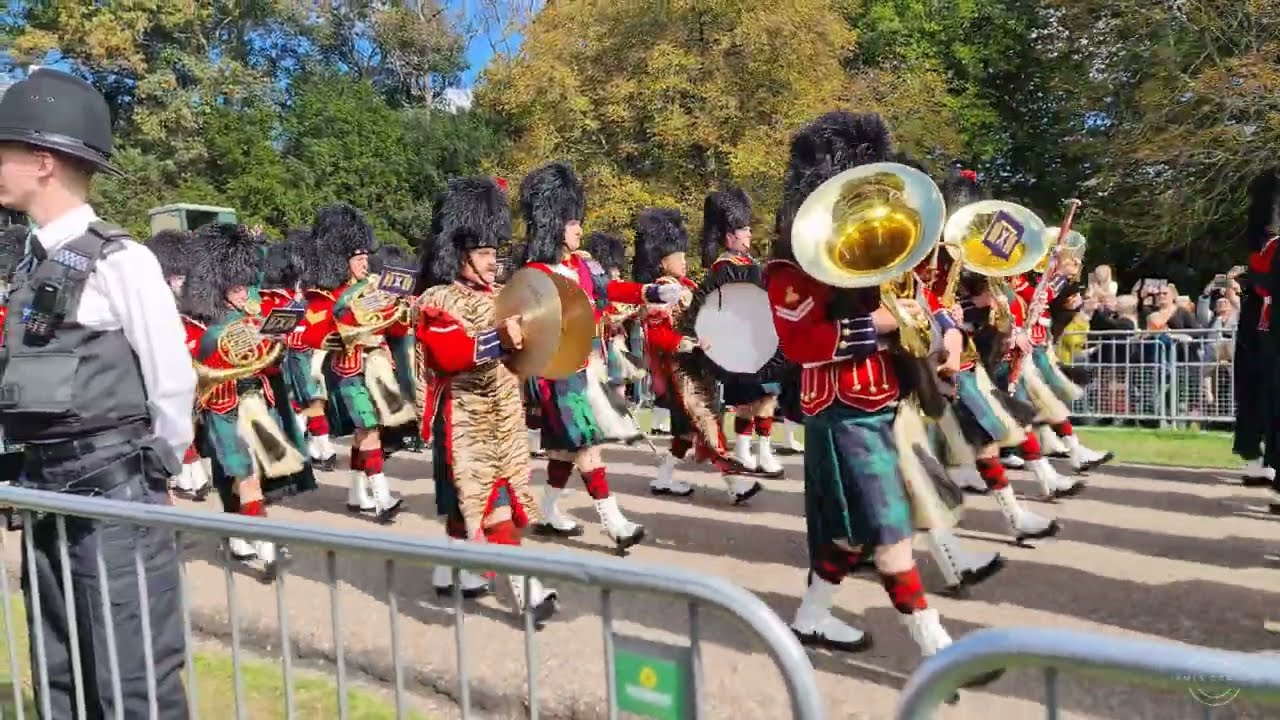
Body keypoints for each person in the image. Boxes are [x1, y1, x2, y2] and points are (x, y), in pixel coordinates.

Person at [764, 110, 1001, 679]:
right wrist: (884, 325)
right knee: (891, 527)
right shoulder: (788, 269)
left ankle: (812, 615)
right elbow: (802, 345)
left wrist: (941, 332)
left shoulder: (874, 255)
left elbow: (920, 299)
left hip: (885, 404)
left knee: (849, 531)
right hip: (839, 411)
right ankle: (939, 650)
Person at [0, 68, 192, 717]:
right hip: (46, 494)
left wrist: (151, 476)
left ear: (43, 160)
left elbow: (172, 381)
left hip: (116, 495)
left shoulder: (122, 261)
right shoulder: (30, 266)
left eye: (6, 149)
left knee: (129, 671)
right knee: (61, 667)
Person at [518, 160, 681, 551]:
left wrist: (651, 292)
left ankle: (549, 510)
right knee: (588, 442)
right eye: (572, 221)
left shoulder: (581, 265)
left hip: (582, 366)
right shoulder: (536, 271)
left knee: (564, 450)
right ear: (553, 224)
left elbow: (611, 289)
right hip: (555, 370)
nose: (578, 228)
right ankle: (614, 521)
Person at [415, 176, 558, 621]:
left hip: (504, 414)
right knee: (493, 503)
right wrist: (500, 338)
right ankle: (527, 589)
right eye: (482, 253)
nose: (492, 261)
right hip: (463, 418)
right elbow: (450, 353)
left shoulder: (504, 297)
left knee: (472, 500)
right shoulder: (437, 299)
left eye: (494, 252)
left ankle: (451, 572)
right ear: (460, 256)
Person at [182, 223, 318, 572]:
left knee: (245, 475)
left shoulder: (251, 317)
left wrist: (277, 344)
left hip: (256, 399)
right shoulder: (199, 326)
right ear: (220, 290)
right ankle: (265, 546)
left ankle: (241, 537)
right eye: (238, 289)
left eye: (245, 286)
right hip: (224, 405)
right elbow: (197, 364)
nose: (245, 295)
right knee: (245, 475)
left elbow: (268, 364)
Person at [634, 207, 766, 502]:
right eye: (677, 257)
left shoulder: (689, 286)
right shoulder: (661, 290)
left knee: (687, 430)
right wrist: (689, 343)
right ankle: (736, 484)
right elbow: (657, 334)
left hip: (696, 365)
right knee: (706, 420)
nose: (684, 261)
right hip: (679, 368)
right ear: (663, 263)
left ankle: (664, 477)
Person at [298, 204, 412, 522]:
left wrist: (398, 308)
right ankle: (382, 496)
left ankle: (356, 493)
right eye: (358, 258)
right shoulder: (329, 295)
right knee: (369, 429)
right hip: (350, 369)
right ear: (343, 261)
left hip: (377, 365)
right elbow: (313, 333)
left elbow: (395, 328)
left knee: (366, 432)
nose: (365, 263)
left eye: (365, 257)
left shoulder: (374, 286)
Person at [700, 188, 786, 477]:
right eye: (744, 230)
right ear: (729, 237)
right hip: (739, 342)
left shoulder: (751, 265)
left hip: (762, 339)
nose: (749, 235)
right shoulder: (723, 268)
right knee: (748, 401)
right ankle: (744, 449)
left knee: (768, 397)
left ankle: (762, 449)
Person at [148, 228, 214, 501]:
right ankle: (192, 476)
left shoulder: (194, 306)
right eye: (176, 277)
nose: (181, 282)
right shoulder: (156, 305)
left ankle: (188, 474)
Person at [1235, 169, 1280, 492]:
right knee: (1259, 387)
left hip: (1262, 314)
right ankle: (1260, 461)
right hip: (1264, 315)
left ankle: (1262, 461)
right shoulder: (1265, 241)